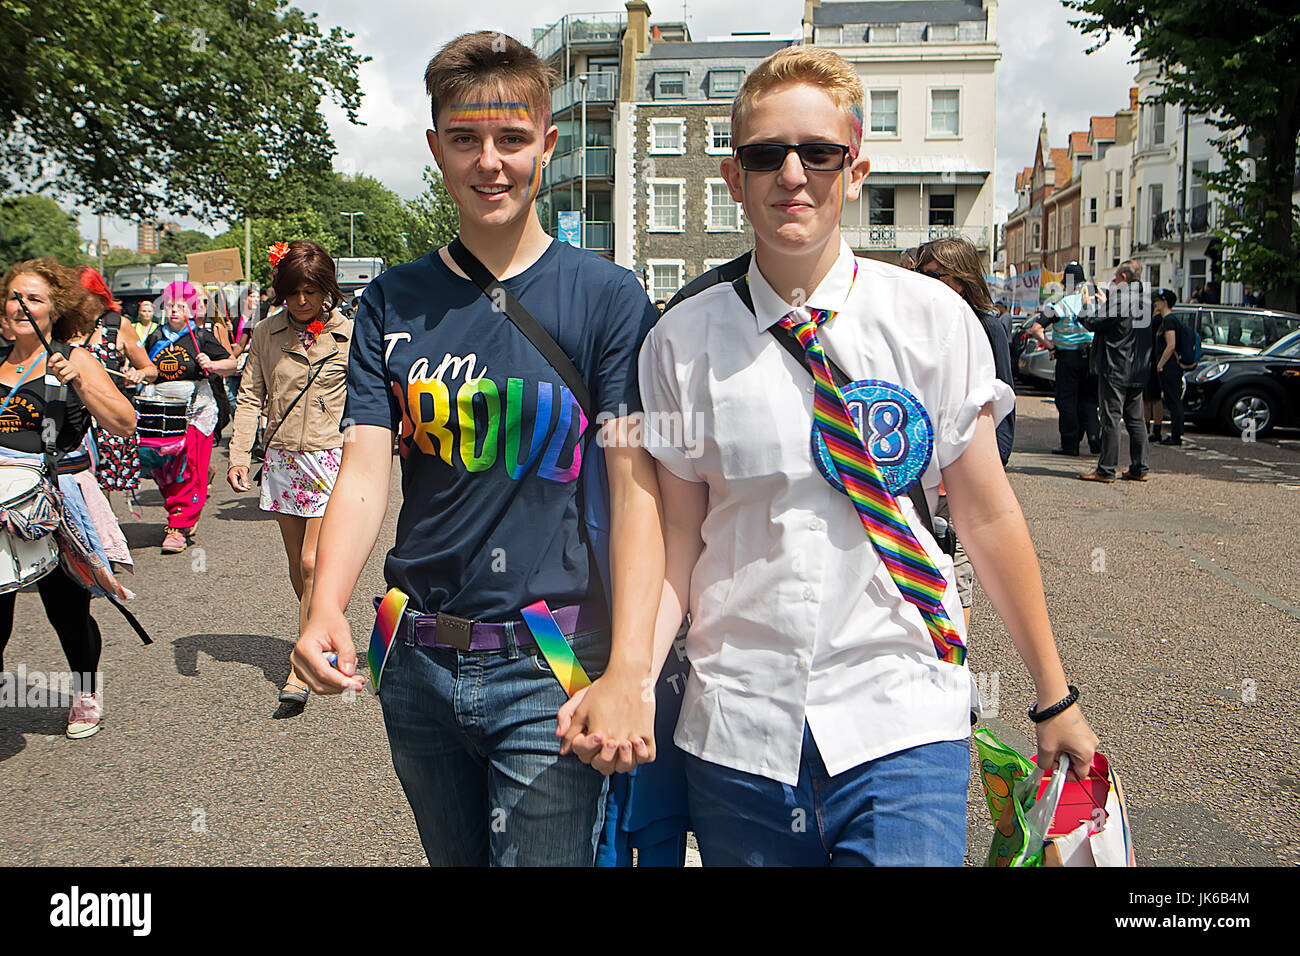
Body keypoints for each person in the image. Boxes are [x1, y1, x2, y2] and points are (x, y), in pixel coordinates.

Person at [635, 46, 1097, 866]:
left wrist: (1052, 694)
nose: (791, 174)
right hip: (740, 725)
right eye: (764, 155)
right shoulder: (681, 342)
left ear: (855, 170)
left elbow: (986, 515)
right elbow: (678, 540)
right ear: (732, 175)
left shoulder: (931, 321)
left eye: (818, 153)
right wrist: (633, 679)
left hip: (900, 709)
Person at [290, 31, 663, 867]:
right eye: (465, 140)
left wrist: (631, 668)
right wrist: (324, 603)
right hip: (411, 651)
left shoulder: (607, 300)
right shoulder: (393, 300)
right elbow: (362, 468)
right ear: (435, 149)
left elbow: (636, 485)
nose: (489, 162)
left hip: (551, 660)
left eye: (510, 139)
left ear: (547, 144)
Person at [0, 258, 137, 738]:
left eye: (34, 298)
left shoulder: (73, 359)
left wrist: (77, 380)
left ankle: (85, 690)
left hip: (52, 500)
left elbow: (124, 422)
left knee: (66, 610)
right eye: (15, 297)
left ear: (55, 310)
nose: (22, 306)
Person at [228, 240, 353, 718]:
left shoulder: (350, 333)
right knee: (295, 567)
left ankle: (302, 666)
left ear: (327, 290)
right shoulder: (265, 333)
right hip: (282, 461)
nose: (303, 301)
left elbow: (369, 399)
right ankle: (322, 628)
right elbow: (249, 397)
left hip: (329, 458)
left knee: (309, 563)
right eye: (294, 291)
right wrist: (239, 453)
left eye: (313, 290)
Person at [138, 281, 238, 552]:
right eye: (170, 304)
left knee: (189, 469)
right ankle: (184, 508)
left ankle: (178, 526)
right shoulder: (155, 337)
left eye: (181, 305)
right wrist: (137, 373)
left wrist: (214, 364)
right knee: (165, 471)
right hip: (162, 412)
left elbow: (233, 363)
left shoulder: (201, 336)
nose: (174, 310)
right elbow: (145, 367)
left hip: (197, 412)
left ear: (191, 310)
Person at [76, 268, 158, 499]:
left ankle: (102, 533)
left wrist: (138, 374)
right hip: (72, 419)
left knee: (100, 492)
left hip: (107, 418)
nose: (78, 303)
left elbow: (151, 370)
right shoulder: (62, 326)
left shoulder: (118, 325)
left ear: (98, 293)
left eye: (84, 296)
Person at [1079, 261, 1150, 482]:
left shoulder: (1121, 299)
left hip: (1116, 365)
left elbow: (1093, 322)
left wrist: (1086, 306)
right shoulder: (1145, 300)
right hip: (1138, 367)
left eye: (1115, 279)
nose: (1113, 282)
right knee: (1136, 420)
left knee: (1111, 418)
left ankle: (1106, 469)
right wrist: (1107, 304)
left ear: (1124, 278)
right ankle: (1140, 468)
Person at [1028, 262, 1099, 456]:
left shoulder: (1058, 303)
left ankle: (1070, 444)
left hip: (1067, 358)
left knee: (1067, 401)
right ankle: (1094, 436)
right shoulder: (1093, 303)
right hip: (1091, 357)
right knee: (1089, 399)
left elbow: (1036, 329)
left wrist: (1051, 347)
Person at [1151, 289, 1184, 446]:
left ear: (1164, 303)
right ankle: (1175, 433)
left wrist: (1160, 364)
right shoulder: (1166, 320)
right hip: (1169, 367)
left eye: (1157, 301)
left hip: (1170, 367)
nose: (1155, 303)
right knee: (1171, 401)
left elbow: (1171, 345)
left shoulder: (1169, 320)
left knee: (1173, 401)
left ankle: (1176, 435)